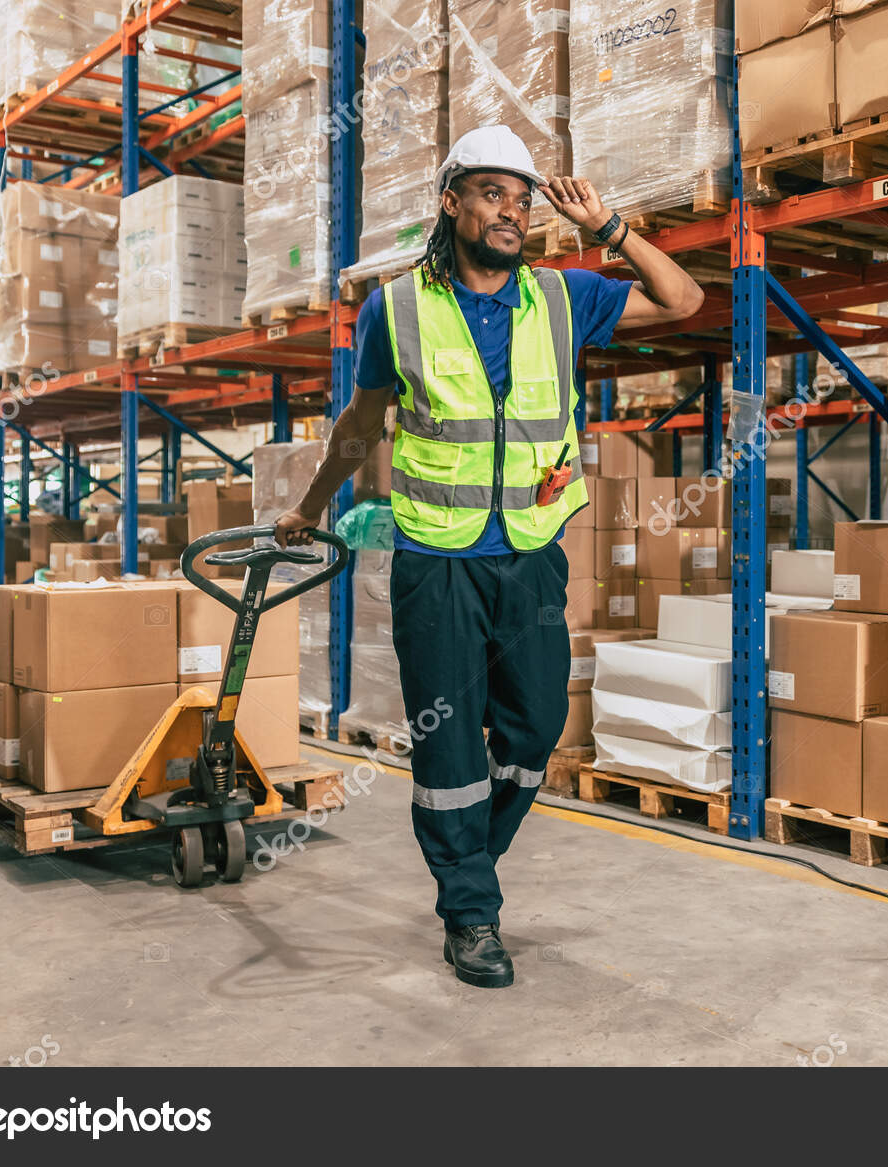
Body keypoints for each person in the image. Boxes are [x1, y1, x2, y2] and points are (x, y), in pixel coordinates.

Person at [273, 124, 704, 989]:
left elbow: (685, 299)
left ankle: (476, 857)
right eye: (492, 193)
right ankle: (470, 911)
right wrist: (308, 506)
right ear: (452, 201)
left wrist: (611, 227)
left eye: (522, 197)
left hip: (534, 554)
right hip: (438, 558)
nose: (512, 211)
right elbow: (361, 428)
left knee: (536, 725)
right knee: (446, 747)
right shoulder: (394, 309)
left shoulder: (561, 295)